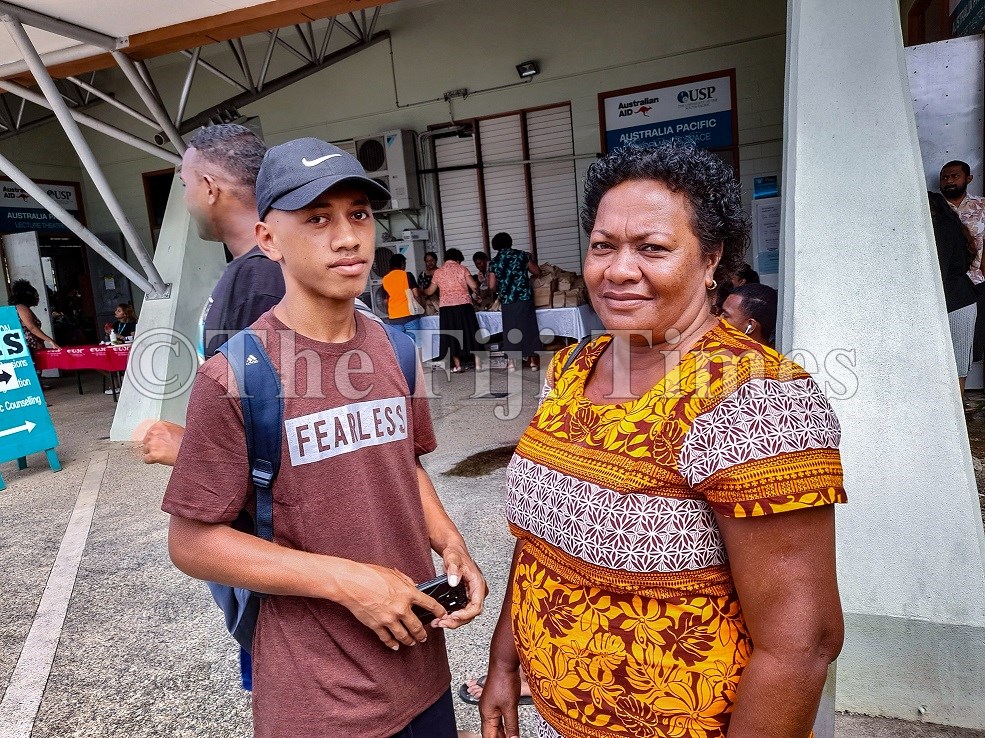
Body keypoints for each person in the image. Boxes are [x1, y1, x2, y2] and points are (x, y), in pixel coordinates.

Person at [480, 142, 846, 738]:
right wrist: (504, 661)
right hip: (550, 718)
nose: (618, 271)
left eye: (652, 248)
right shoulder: (574, 368)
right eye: (603, 246)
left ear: (711, 260)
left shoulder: (757, 400)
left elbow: (802, 643)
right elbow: (537, 544)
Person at [162, 137, 487, 738]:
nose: (346, 238)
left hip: (421, 673)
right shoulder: (235, 374)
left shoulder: (397, 349)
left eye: (358, 215)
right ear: (268, 240)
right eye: (316, 219)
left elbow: (405, 465)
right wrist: (349, 581)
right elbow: (192, 543)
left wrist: (451, 542)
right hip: (318, 697)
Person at [140, 124, 280, 467]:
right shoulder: (253, 270)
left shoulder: (261, 278)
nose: (187, 199)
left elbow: (277, 423)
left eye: (186, 186)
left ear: (209, 189)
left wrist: (190, 449)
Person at [929, 190, 978, 399]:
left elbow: (938, 269)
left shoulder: (941, 229)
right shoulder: (951, 226)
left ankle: (956, 422)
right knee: (957, 363)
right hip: (961, 300)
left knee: (955, 365)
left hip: (955, 303)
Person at [488, 232, 541, 371]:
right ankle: (533, 362)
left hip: (507, 300)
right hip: (524, 297)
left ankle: (512, 363)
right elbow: (536, 271)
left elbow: (492, 285)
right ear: (510, 242)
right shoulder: (521, 255)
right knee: (529, 329)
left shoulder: (494, 261)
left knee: (510, 330)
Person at [425, 248, 482, 373]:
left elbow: (430, 291)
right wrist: (478, 294)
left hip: (446, 308)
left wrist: (420, 293)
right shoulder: (462, 269)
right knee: (471, 332)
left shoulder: (438, 272)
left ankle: (458, 365)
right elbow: (474, 286)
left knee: (451, 335)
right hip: (464, 305)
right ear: (457, 259)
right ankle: (478, 364)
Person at [10, 279, 59, 352]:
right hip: (30, 350)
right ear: (28, 296)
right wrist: (50, 341)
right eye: (36, 296)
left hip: (34, 349)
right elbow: (32, 328)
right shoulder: (22, 308)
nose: (38, 298)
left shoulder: (23, 308)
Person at [382, 252, 423, 335]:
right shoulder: (407, 275)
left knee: (401, 345)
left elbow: (385, 301)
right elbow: (416, 294)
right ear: (402, 264)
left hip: (394, 318)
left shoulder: (385, 279)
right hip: (410, 315)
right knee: (416, 345)